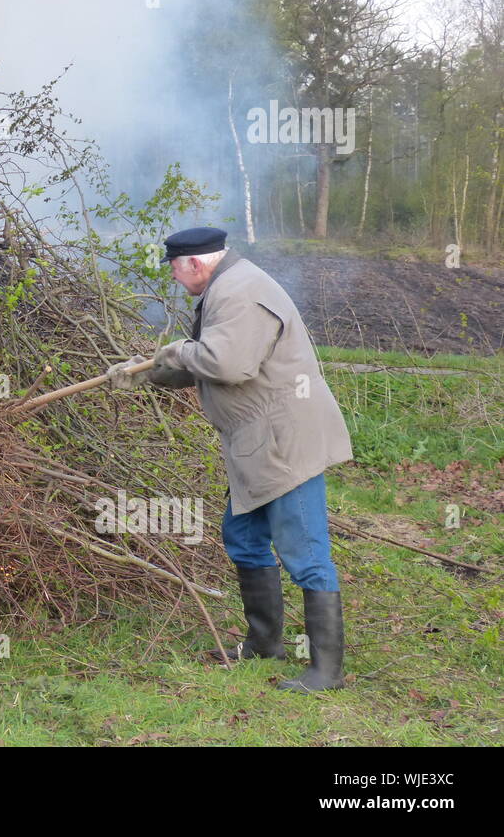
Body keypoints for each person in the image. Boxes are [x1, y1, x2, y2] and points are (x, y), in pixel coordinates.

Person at [106, 227, 353, 692]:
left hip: (285, 441)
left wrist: (175, 350)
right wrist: (147, 375)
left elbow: (227, 364)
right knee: (242, 536)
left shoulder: (240, 292)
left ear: (196, 263)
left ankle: (326, 670)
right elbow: (213, 367)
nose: (176, 280)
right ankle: (265, 644)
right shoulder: (227, 287)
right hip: (256, 442)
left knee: (304, 551)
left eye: (176, 271)